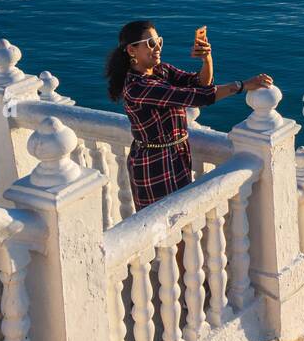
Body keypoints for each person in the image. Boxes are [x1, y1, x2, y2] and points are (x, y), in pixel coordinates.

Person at [107, 20, 268, 211]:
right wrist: (241, 85)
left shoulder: (161, 70)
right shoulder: (138, 87)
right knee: (162, 226)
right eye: (150, 43)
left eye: (159, 41)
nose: (157, 47)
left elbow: (200, 83)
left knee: (182, 222)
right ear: (132, 50)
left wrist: (207, 59)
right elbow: (198, 97)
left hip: (177, 156)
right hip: (153, 163)